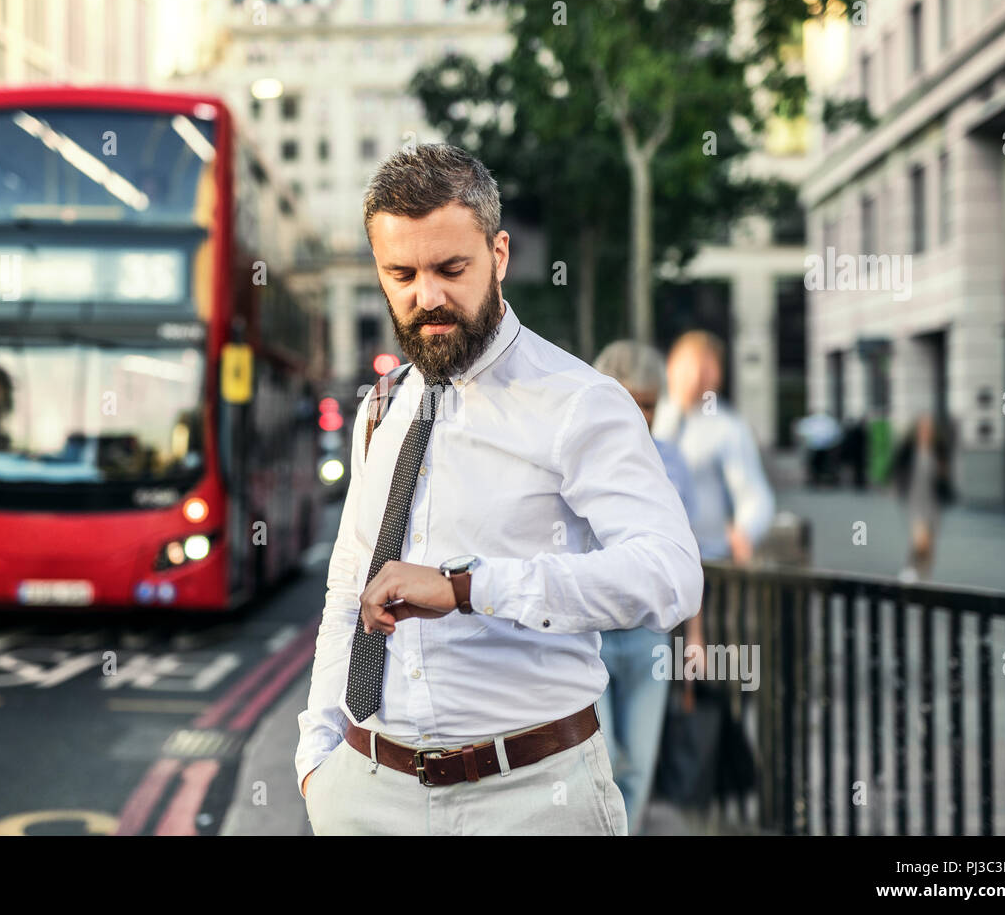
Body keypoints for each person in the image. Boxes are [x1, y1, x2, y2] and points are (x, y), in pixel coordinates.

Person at [295, 144, 702, 835]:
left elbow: (670, 576)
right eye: (402, 274)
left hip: (532, 800)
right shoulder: (380, 408)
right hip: (367, 794)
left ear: (500, 254)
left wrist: (469, 587)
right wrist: (317, 758)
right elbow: (347, 585)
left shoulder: (578, 401)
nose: (428, 296)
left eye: (451, 269)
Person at [591, 339, 698, 834]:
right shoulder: (576, 459)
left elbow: (689, 559)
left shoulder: (672, 463)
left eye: (650, 403)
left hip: (649, 638)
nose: (640, 413)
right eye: (629, 399)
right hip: (586, 637)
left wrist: (695, 639)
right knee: (601, 764)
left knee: (638, 768)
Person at [652, 331, 775, 681]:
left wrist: (745, 530)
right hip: (656, 571)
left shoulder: (728, 429)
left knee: (706, 677)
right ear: (671, 367)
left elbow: (755, 494)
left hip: (711, 570)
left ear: (717, 375)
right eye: (690, 366)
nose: (697, 377)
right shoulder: (647, 417)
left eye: (706, 369)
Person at [890, 412, 953, 582]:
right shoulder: (909, 449)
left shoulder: (938, 450)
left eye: (929, 428)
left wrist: (944, 477)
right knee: (920, 539)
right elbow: (897, 468)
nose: (926, 431)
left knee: (930, 541)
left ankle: (925, 574)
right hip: (915, 499)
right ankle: (910, 568)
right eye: (923, 428)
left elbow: (945, 476)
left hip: (933, 502)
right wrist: (897, 486)